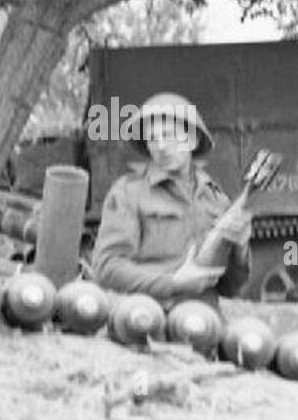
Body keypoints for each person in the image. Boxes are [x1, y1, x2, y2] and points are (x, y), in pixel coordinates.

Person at [91, 92, 252, 306]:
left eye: (168, 135)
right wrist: (173, 283)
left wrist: (240, 249)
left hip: (204, 320)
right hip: (144, 316)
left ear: (192, 140)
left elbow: (230, 288)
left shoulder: (216, 200)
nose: (161, 147)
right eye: (152, 139)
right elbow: (106, 268)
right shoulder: (127, 193)